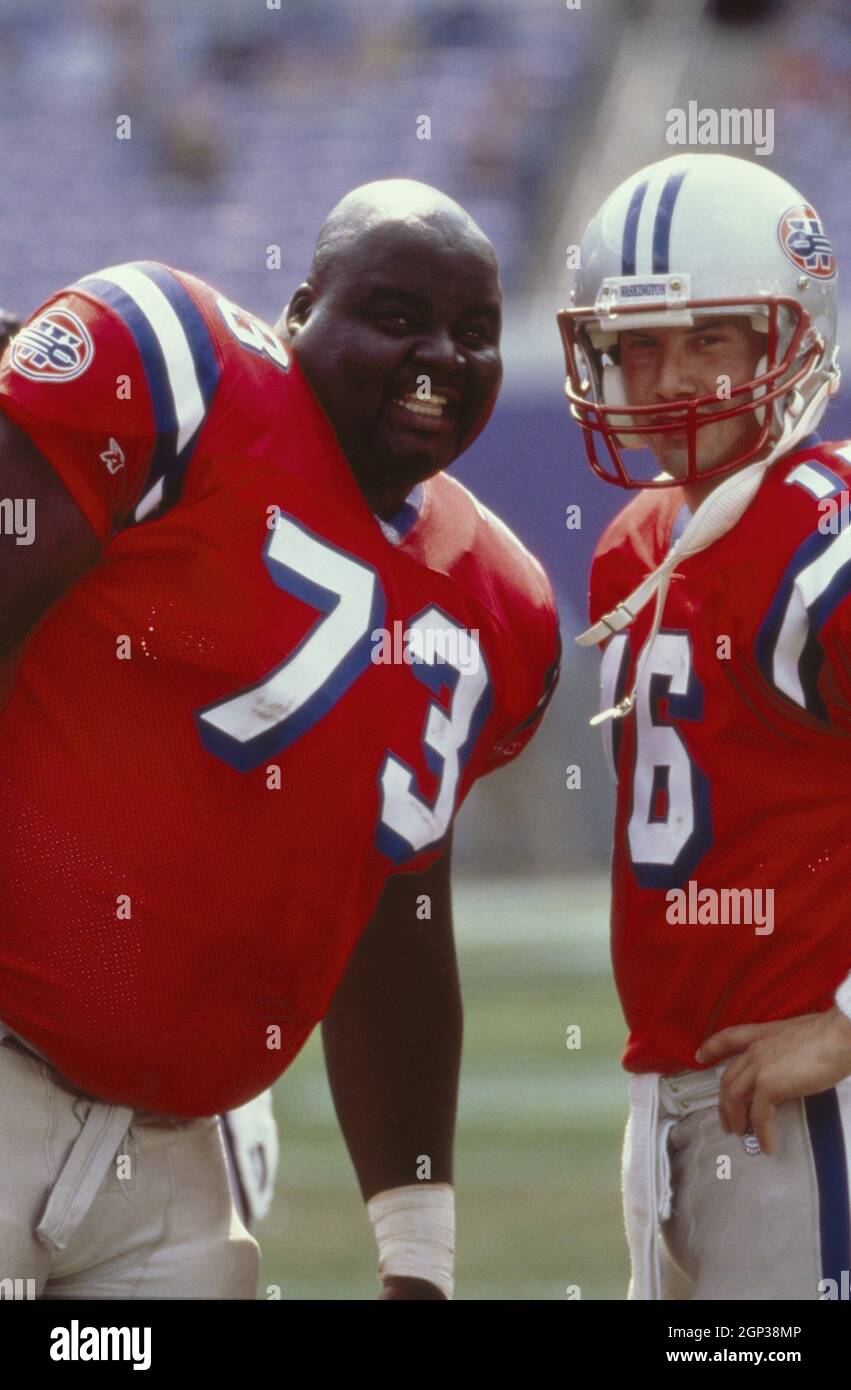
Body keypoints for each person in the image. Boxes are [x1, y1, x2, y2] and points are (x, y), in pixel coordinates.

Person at [0, 179, 560, 1300]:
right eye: (398, 317)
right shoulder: (185, 371)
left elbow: (393, 913)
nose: (440, 357)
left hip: (177, 1174)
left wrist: (415, 1250)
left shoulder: (498, 605)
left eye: (475, 334)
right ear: (303, 310)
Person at [559, 152, 851, 1300]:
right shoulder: (630, 542)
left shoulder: (821, 531)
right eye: (633, 346)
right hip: (675, 1094)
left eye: (705, 338)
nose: (662, 376)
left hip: (800, 1097)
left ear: (788, 338)